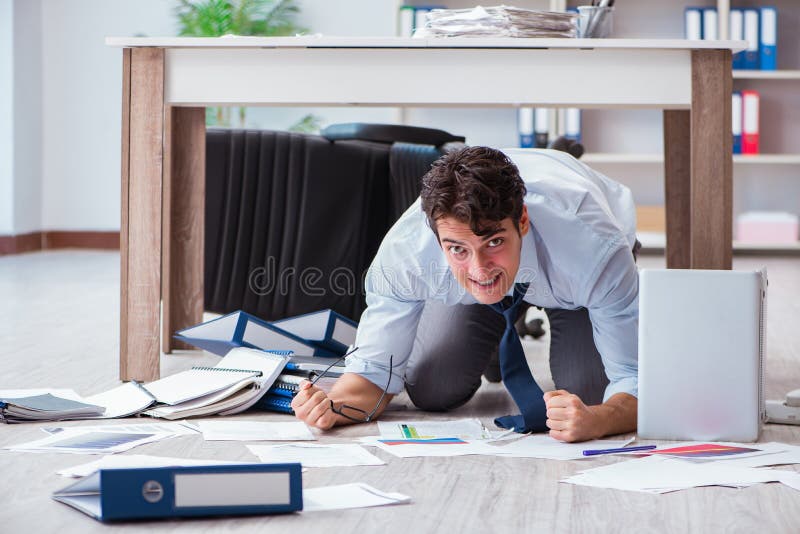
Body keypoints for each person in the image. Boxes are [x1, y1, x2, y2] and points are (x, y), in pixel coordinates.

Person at [291, 146, 639, 443]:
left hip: (574, 289)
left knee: (589, 392)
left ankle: (503, 334)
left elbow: (633, 379)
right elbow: (373, 374)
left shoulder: (596, 250)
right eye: (457, 249)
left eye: (494, 242)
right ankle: (498, 337)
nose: (479, 268)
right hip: (486, 292)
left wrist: (601, 419)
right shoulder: (406, 255)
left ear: (522, 220)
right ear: (436, 236)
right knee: (433, 387)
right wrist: (333, 406)